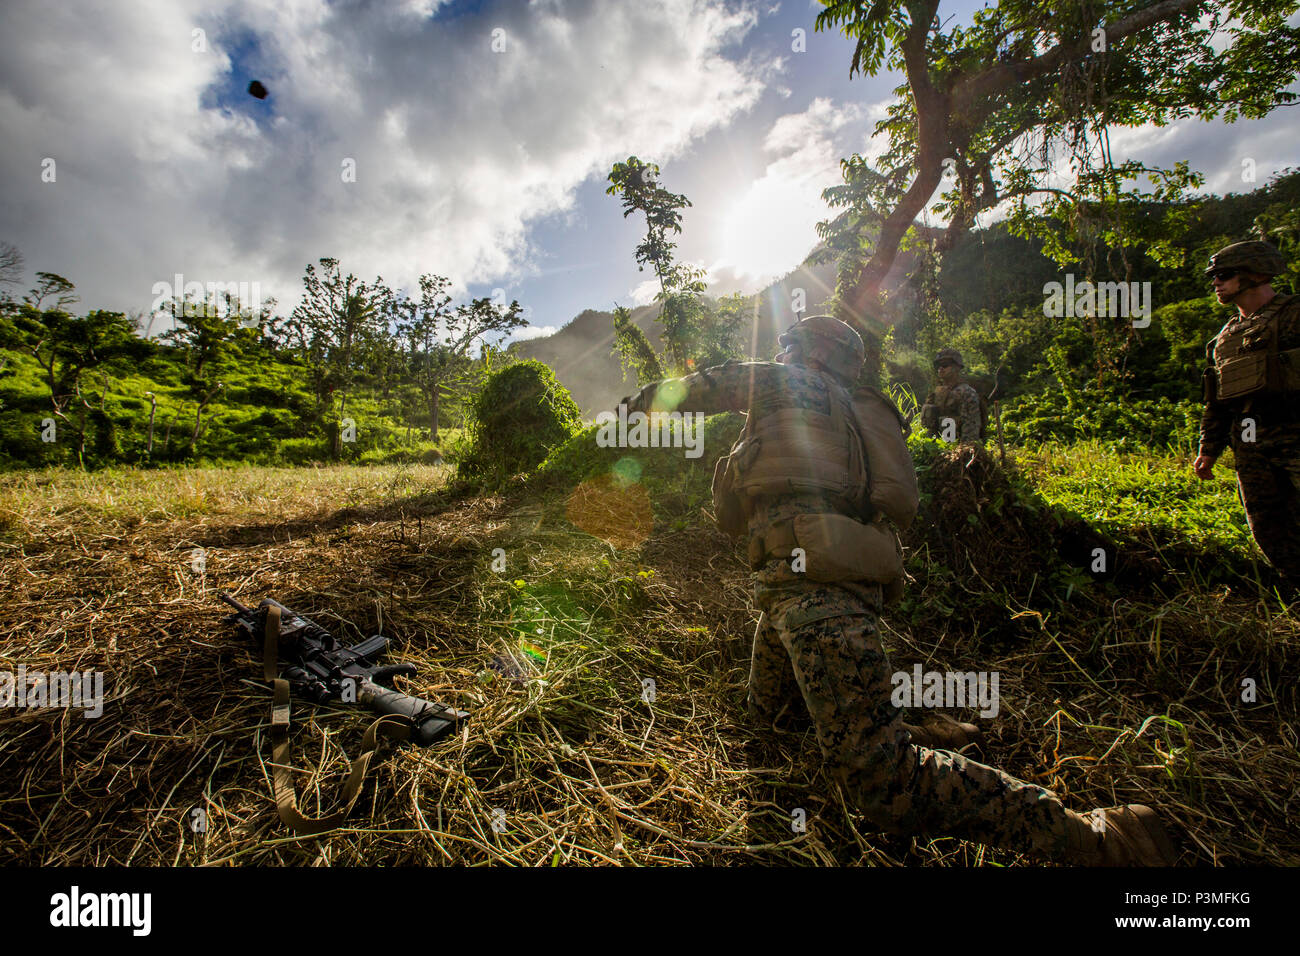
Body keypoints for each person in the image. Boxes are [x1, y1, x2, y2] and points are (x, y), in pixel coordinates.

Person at [623, 315, 1176, 865]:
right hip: (793, 592)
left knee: (885, 784)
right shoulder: (841, 408)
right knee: (772, 724)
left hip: (816, 597)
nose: (782, 354)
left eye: (788, 347)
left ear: (809, 353)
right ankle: (911, 720)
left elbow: (705, 385)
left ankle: (1103, 839)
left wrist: (639, 404)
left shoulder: (792, 382)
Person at [1193, 240, 1300, 588]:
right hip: (1251, 441)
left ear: (1253, 274)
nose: (1216, 284)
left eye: (1224, 275)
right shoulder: (1224, 339)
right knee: (1268, 524)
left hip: (1294, 431)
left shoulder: (1294, 315)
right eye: (1215, 277)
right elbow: (1218, 401)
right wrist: (1209, 450)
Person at [920, 348, 984, 445]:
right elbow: (929, 426)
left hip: (958, 451)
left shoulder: (966, 392)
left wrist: (962, 453)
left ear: (956, 367)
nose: (940, 368)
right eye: (938, 366)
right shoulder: (936, 392)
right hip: (936, 449)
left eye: (945, 365)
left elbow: (971, 429)